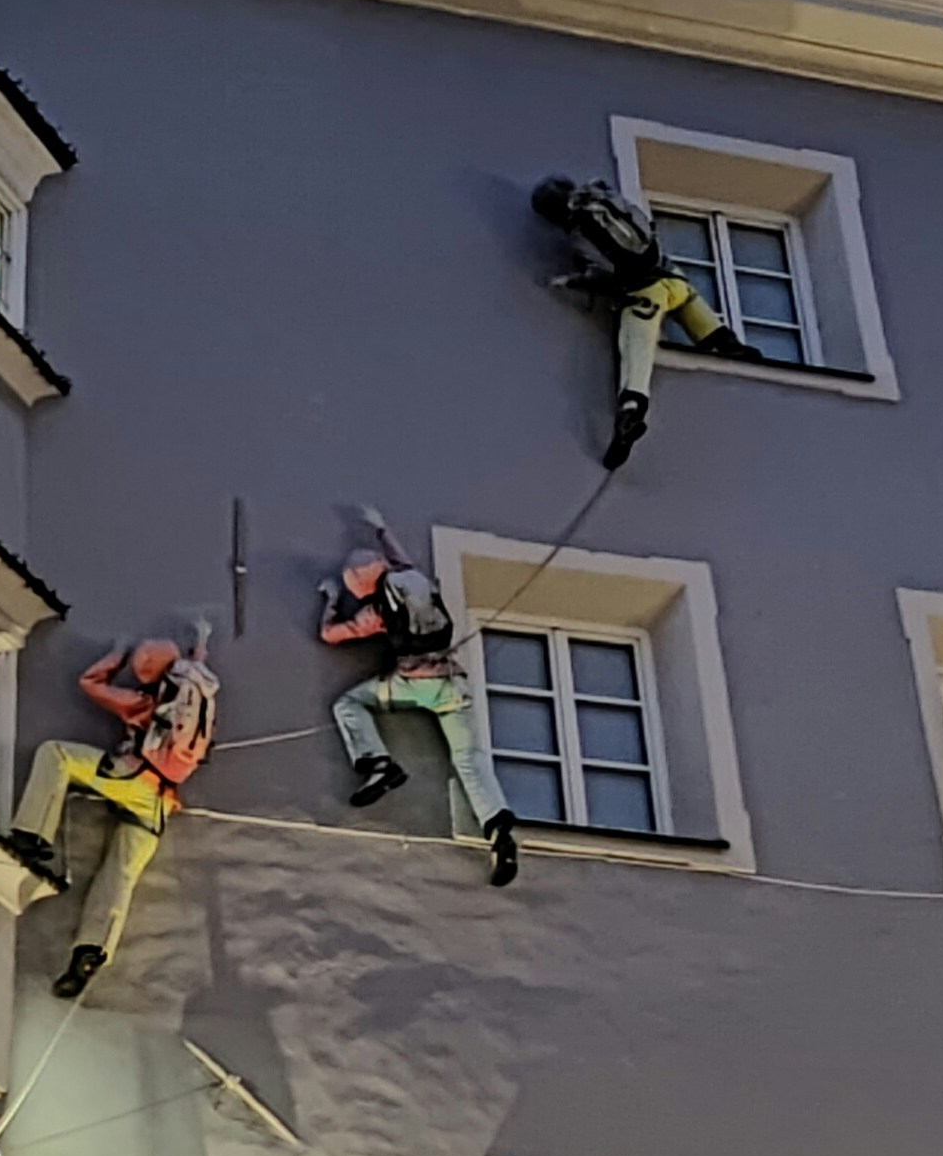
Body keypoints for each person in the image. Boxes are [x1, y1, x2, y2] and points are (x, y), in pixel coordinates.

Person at [11, 633, 220, 999]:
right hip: (160, 804)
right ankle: (91, 953)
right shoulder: (199, 691)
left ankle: (32, 836)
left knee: (56, 755)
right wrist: (198, 649)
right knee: (119, 876)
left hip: (133, 776)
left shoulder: (144, 702)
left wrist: (116, 654)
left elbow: (90, 683)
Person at [321, 521, 518, 885]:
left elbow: (330, 635)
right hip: (452, 685)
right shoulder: (414, 578)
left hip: (411, 685)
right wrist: (381, 529)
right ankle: (499, 831)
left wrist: (332, 599)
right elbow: (401, 557)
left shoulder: (377, 610)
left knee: (349, 704)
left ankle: (379, 763)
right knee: (470, 759)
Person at [531, 174, 762, 466]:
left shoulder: (580, 231)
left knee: (636, 352)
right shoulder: (604, 195)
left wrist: (572, 282)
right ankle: (731, 347)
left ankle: (630, 411)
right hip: (675, 280)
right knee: (695, 311)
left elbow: (609, 275)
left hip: (645, 295)